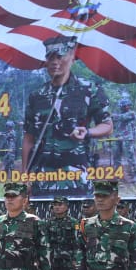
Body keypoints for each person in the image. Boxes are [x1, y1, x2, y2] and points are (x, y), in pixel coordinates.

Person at [21, 35, 113, 197]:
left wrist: (88, 132)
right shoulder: (37, 96)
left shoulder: (89, 89)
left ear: (72, 58)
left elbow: (107, 125)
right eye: (50, 57)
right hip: (43, 178)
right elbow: (29, 138)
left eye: (60, 56)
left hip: (76, 175)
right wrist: (24, 175)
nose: (54, 62)